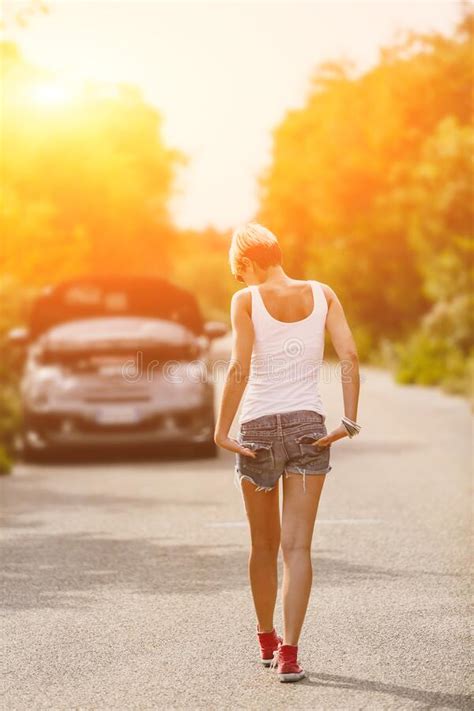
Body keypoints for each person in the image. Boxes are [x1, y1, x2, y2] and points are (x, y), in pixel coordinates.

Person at [214, 222, 361, 683]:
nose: (242, 281)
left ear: (247, 263)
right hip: (309, 428)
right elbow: (350, 357)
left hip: (257, 428)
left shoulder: (246, 300)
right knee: (298, 548)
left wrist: (221, 430)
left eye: (240, 273)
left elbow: (239, 368)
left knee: (263, 545)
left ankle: (266, 639)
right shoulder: (322, 293)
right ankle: (290, 654)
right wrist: (348, 422)